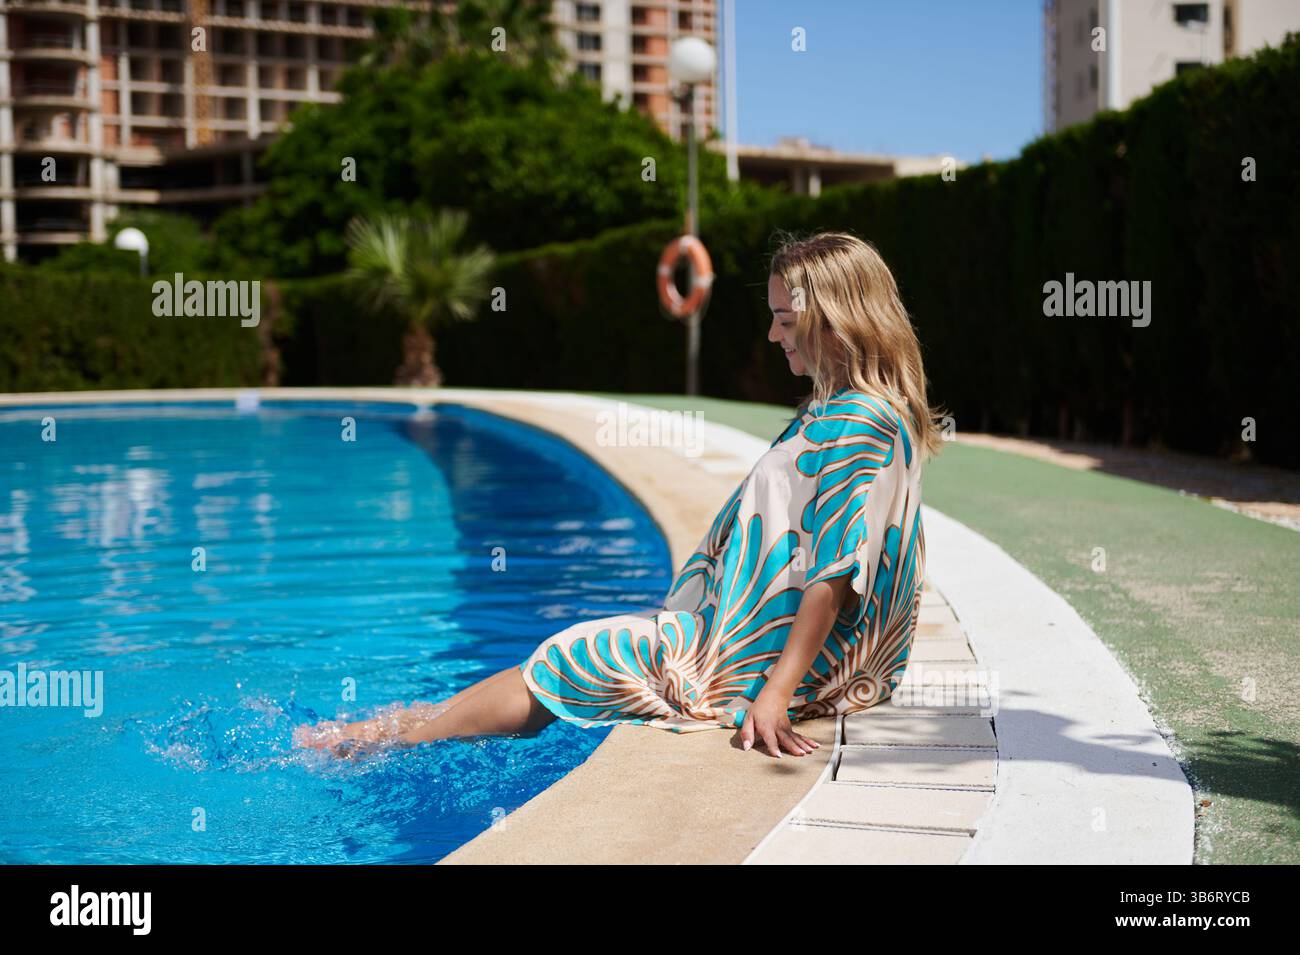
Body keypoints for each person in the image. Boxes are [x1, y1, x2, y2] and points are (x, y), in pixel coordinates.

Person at [293, 231, 942, 759]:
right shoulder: (856, 411)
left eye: (784, 319)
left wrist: (776, 693)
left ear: (835, 320)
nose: (774, 336)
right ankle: (385, 731)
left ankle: (374, 739)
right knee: (581, 652)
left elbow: (834, 572)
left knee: (574, 653)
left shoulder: (859, 422)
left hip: (748, 662)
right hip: (755, 646)